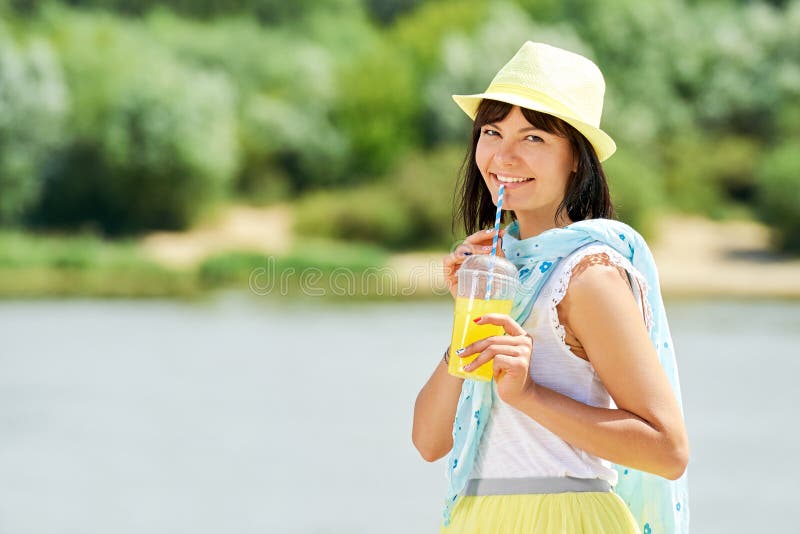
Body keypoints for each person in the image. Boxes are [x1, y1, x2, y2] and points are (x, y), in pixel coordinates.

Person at [411, 42, 690, 533]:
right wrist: (466, 321)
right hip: (477, 518)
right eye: (492, 132)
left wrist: (530, 395)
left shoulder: (589, 277)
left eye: (534, 138)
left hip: (566, 519)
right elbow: (428, 442)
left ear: (576, 159)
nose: (503, 155)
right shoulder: (500, 269)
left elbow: (668, 451)